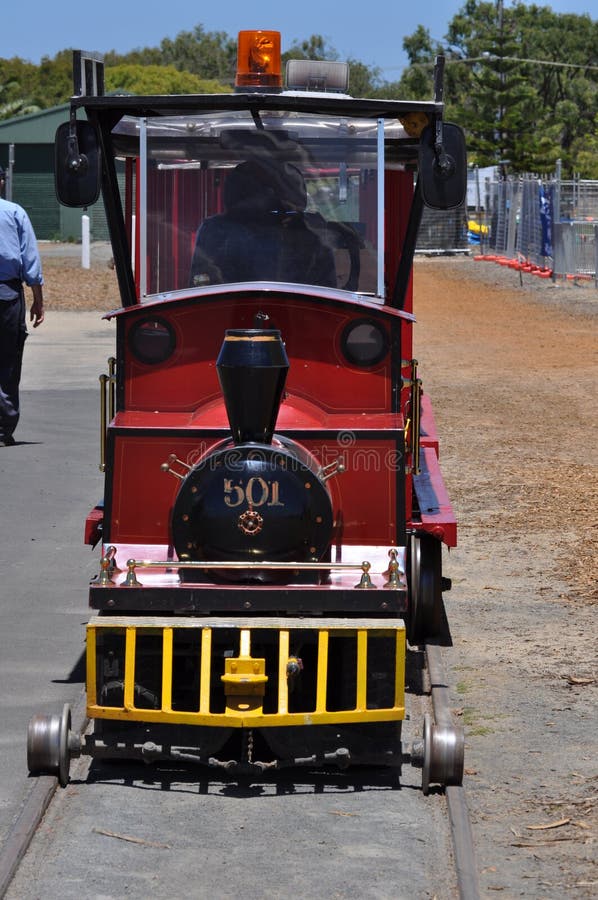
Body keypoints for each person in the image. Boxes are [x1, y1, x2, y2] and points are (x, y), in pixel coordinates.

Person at [190, 159, 337, 289]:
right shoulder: (216, 230)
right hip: (229, 313)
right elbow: (202, 286)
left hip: (296, 315)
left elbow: (327, 295)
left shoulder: (308, 232)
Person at [0, 166, 45, 446]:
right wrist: (39, 300)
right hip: (7, 294)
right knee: (8, 361)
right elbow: (30, 259)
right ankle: (3, 428)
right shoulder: (14, 212)